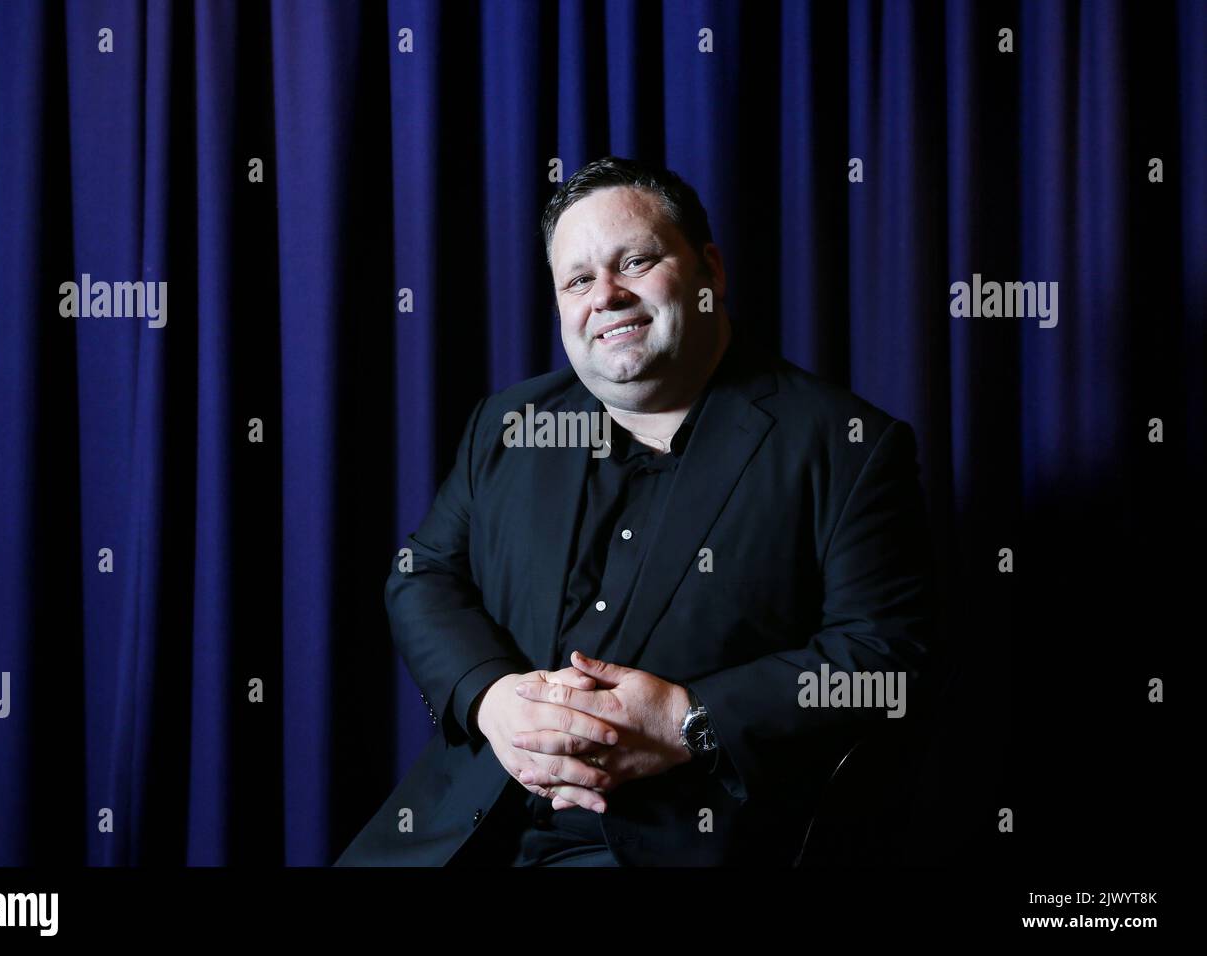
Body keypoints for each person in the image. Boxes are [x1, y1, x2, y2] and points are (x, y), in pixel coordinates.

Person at [335, 156, 935, 867]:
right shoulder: (510, 421)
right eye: (579, 279)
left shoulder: (846, 445)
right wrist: (491, 698)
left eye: (637, 262)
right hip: (461, 826)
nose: (607, 296)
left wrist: (690, 721)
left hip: (679, 839)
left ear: (708, 269)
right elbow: (423, 574)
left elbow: (887, 656)